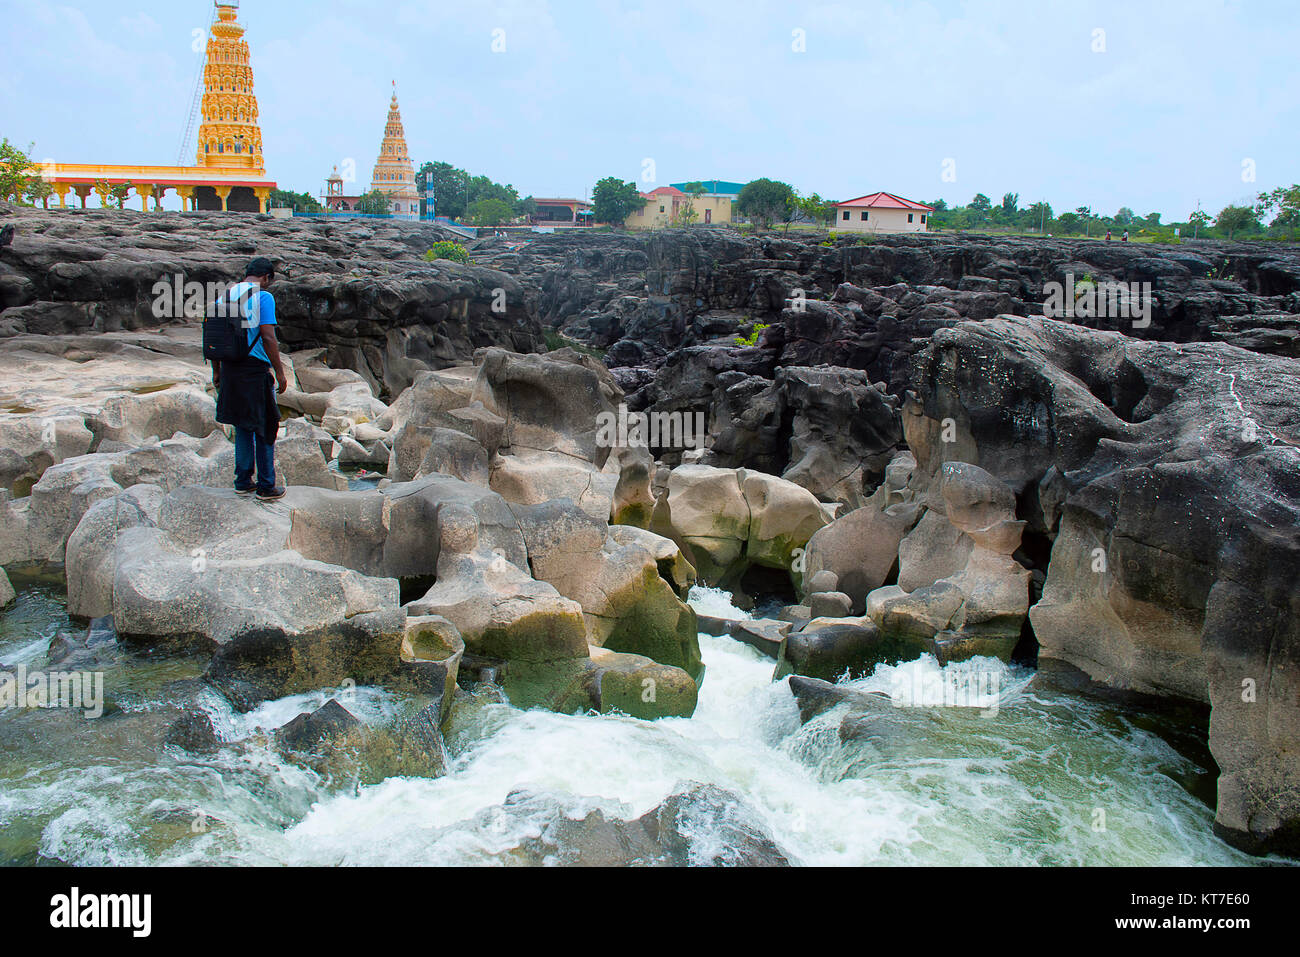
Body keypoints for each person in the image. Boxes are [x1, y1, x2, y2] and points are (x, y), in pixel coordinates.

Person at [213, 258, 289, 500]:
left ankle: (243, 481)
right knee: (266, 426)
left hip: (229, 369)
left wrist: (216, 372)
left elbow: (214, 338)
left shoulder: (222, 297)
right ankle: (267, 485)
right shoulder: (263, 297)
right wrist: (280, 371)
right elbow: (268, 337)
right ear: (266, 277)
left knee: (242, 425)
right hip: (254, 370)